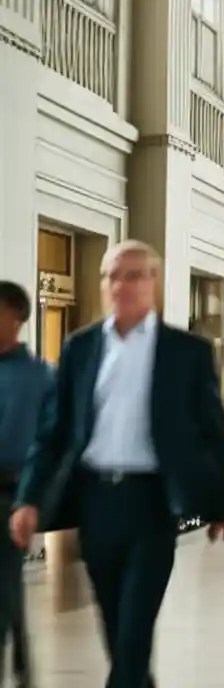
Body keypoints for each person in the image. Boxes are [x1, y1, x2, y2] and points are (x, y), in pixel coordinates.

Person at [11, 240, 224, 688]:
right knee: (118, 632)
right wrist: (29, 499)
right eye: (111, 275)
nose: (120, 284)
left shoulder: (186, 352)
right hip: (96, 503)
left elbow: (212, 431)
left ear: (154, 282)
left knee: (134, 632)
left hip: (152, 504)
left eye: (133, 275)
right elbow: (54, 433)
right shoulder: (81, 349)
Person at [0, 282, 52, 686]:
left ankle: (17, 655)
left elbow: (50, 439)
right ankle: (19, 652)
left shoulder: (38, 377)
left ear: (17, 317)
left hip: (12, 493)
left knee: (5, 580)